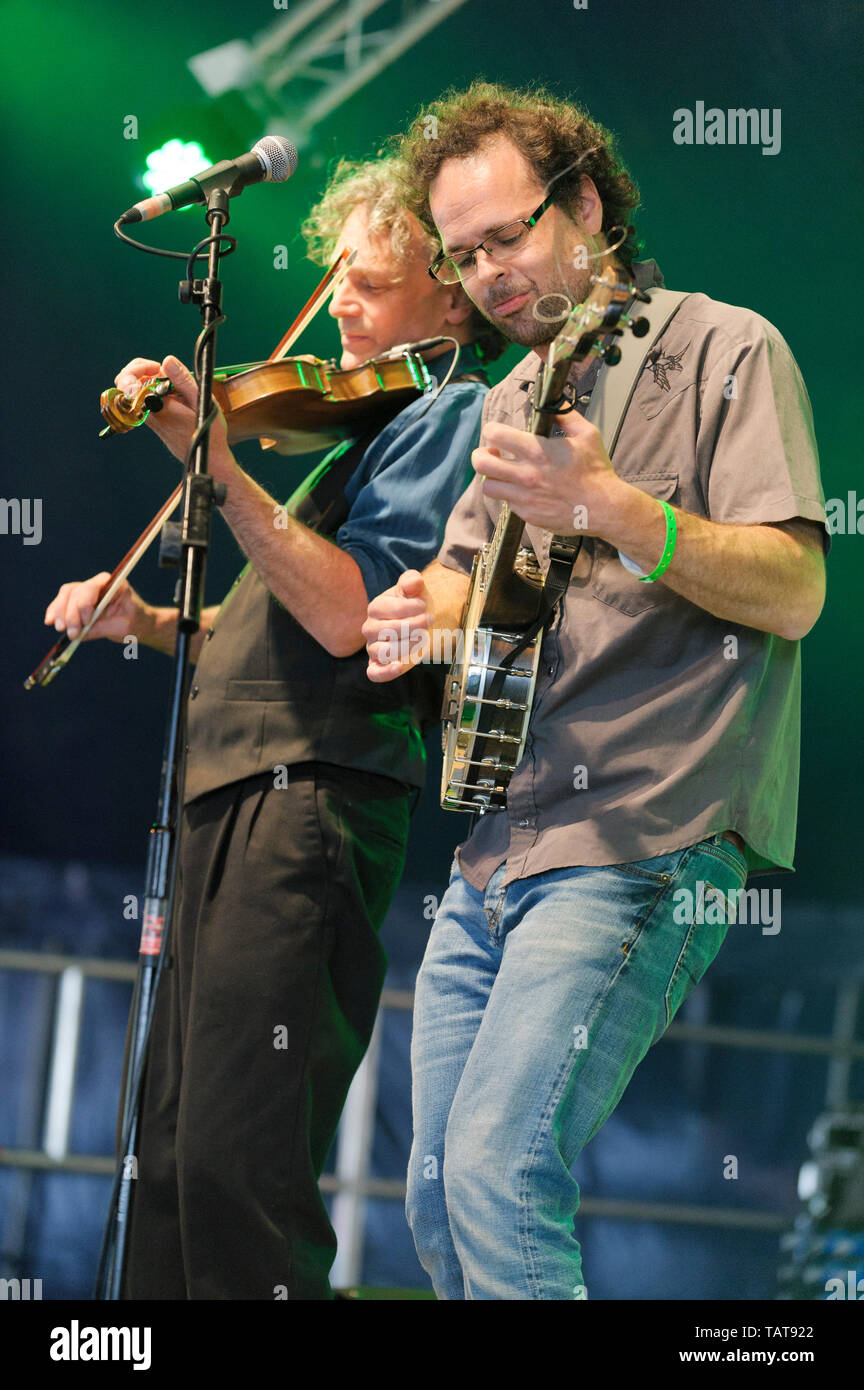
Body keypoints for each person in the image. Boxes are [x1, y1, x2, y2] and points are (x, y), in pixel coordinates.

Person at [362, 83, 829, 1300]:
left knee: (502, 1173)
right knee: (432, 1190)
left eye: (505, 237)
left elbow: (794, 592)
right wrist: (421, 617)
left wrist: (615, 511)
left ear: (583, 207)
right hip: (501, 838)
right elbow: (467, 583)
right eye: (463, 258)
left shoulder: (731, 346)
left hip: (647, 828)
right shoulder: (508, 401)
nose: (485, 276)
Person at [44, 155, 505, 1299]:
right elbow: (267, 634)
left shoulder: (449, 414)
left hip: (312, 804)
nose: (338, 301)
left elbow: (350, 617)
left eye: (369, 281)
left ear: (449, 299)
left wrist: (220, 468)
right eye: (336, 278)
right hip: (231, 791)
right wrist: (152, 621)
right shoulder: (351, 436)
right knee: (169, 1161)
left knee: (237, 1171)